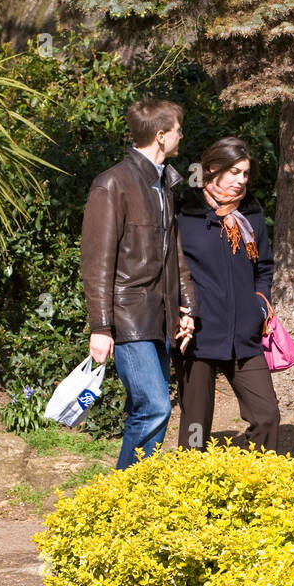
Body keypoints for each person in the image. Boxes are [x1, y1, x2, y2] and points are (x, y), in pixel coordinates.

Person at [81, 98, 198, 470]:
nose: (183, 135)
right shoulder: (112, 183)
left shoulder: (163, 183)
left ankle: (128, 502)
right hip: (128, 316)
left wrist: (187, 307)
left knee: (143, 410)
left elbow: (173, 252)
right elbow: (97, 260)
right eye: (179, 129)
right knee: (155, 407)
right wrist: (100, 327)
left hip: (160, 315)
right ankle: (124, 497)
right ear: (161, 136)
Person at [175, 136, 280, 453]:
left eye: (245, 174)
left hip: (244, 335)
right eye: (234, 172)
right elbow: (170, 272)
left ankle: (253, 484)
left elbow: (264, 267)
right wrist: (182, 312)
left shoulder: (252, 213)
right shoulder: (184, 214)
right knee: (195, 429)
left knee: (267, 417)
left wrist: (259, 307)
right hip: (198, 335)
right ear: (211, 169)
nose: (241, 181)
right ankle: (192, 490)